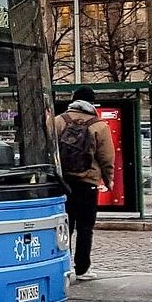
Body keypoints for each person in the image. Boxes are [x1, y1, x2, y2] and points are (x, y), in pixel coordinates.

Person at [54, 86, 115, 281]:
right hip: (87, 183)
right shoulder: (99, 126)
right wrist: (109, 179)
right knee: (85, 227)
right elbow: (106, 157)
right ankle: (82, 268)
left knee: (64, 226)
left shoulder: (58, 121)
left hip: (63, 183)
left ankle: (62, 265)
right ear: (92, 102)